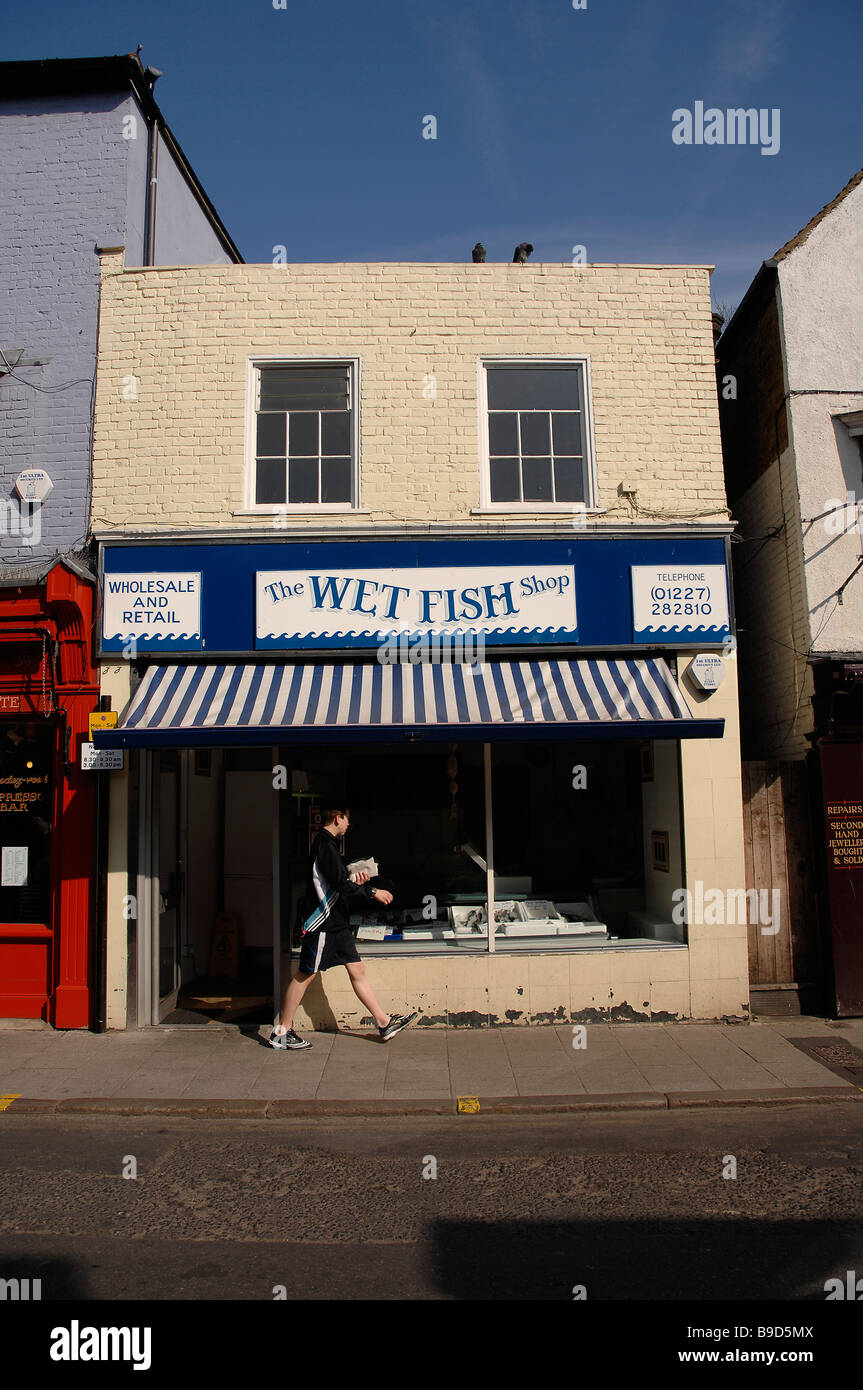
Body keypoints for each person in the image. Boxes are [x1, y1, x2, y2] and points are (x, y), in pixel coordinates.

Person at [269, 808, 417, 1050]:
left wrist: (354, 879)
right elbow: (338, 884)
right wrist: (372, 891)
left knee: (357, 970)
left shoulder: (329, 844)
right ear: (338, 817)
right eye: (348, 819)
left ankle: (384, 1022)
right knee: (305, 974)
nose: (349, 824)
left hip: (337, 924)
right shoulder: (324, 845)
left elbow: (338, 880)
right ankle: (282, 1031)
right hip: (323, 923)